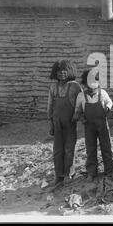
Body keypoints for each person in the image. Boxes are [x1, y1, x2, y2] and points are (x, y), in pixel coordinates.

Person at [73, 69, 113, 181]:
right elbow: (77, 110)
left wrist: (107, 108)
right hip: (89, 126)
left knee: (106, 147)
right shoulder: (81, 96)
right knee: (90, 148)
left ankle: (109, 171)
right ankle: (91, 172)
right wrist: (81, 118)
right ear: (85, 83)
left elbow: (110, 102)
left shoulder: (103, 93)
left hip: (102, 125)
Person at [47, 59, 82, 187]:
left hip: (70, 122)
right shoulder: (53, 87)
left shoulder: (75, 86)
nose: (61, 74)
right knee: (57, 149)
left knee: (69, 148)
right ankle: (58, 175)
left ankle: (68, 174)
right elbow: (50, 105)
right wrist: (50, 122)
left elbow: (80, 103)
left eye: (64, 71)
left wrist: (77, 115)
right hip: (57, 122)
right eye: (59, 72)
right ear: (55, 73)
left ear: (69, 72)